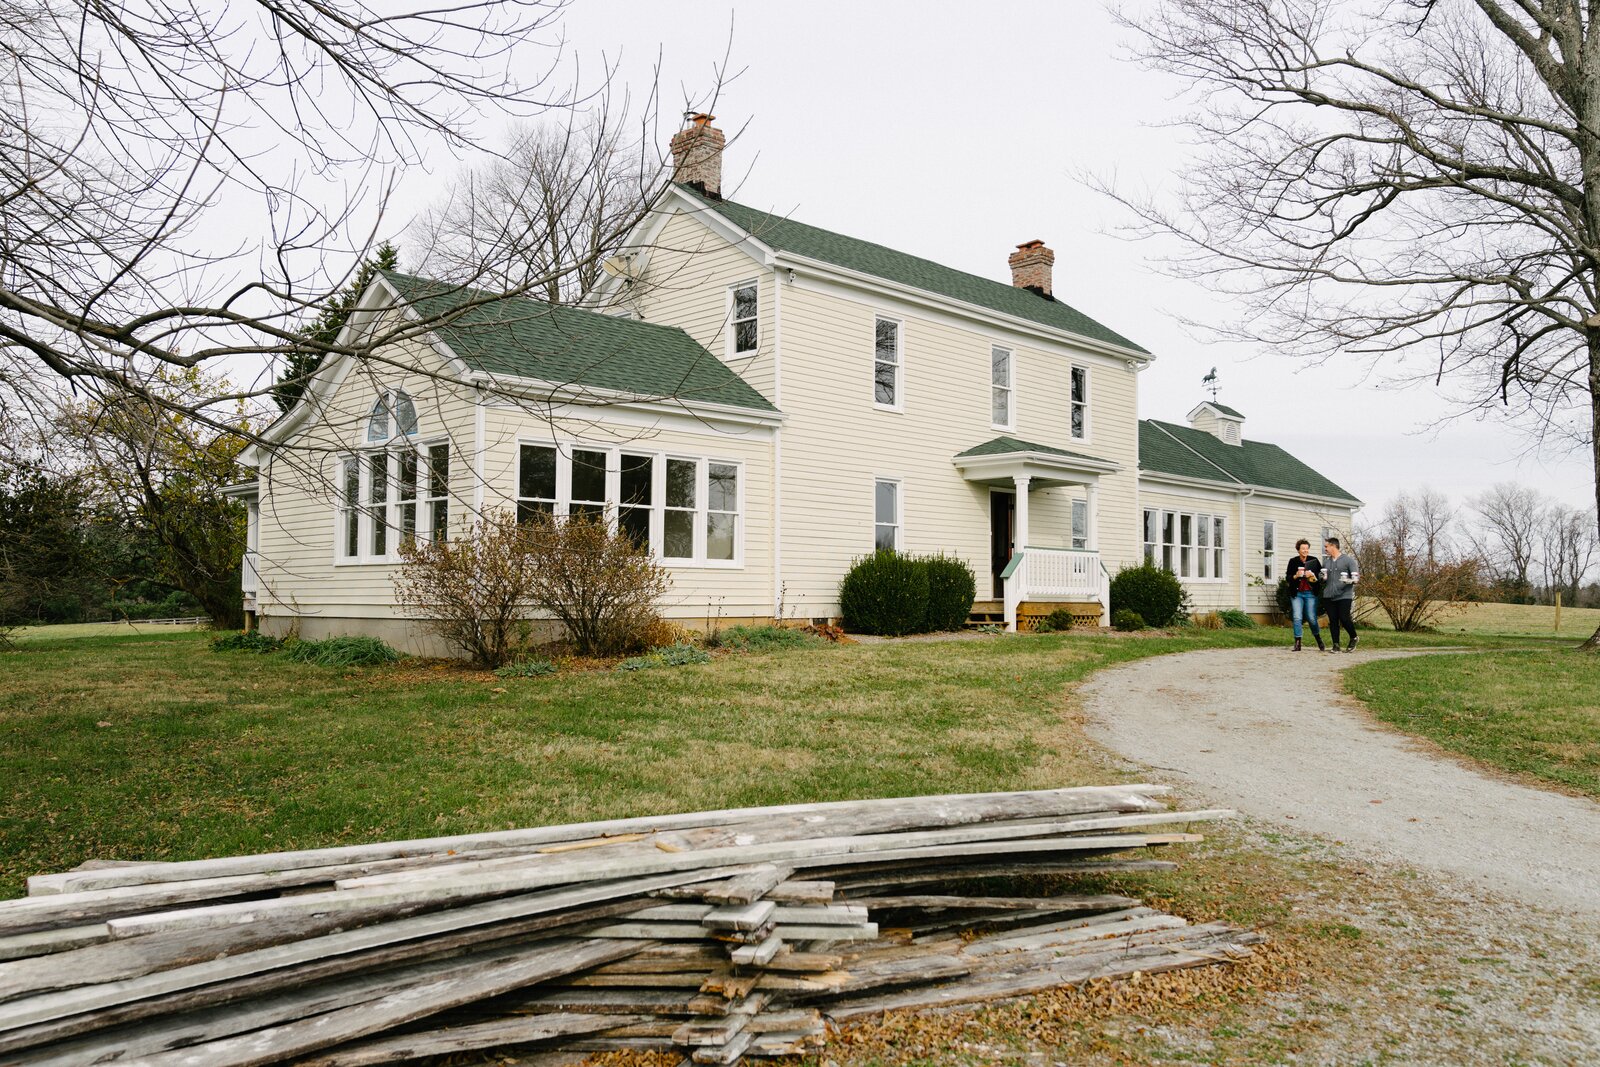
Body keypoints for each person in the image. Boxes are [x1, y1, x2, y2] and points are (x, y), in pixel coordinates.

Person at [1322, 536, 1360, 652]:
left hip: (1344, 595)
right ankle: (1336, 645)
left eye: (1326, 546)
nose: (1325, 549)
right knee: (1333, 620)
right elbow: (1322, 578)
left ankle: (1354, 637)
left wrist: (1350, 580)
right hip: (1329, 595)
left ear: (1333, 546)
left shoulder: (1348, 561)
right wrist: (1320, 577)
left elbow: (1356, 578)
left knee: (1344, 618)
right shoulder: (1326, 563)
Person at [1287, 538, 1325, 652]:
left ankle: (1318, 638)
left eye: (1307, 548)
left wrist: (1312, 576)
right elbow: (1288, 578)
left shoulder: (1314, 561)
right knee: (1297, 617)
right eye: (1303, 548)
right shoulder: (1293, 561)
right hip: (1297, 593)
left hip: (1310, 593)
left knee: (1311, 618)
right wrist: (1296, 576)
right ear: (1298, 550)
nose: (1305, 551)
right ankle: (1298, 643)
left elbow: (1321, 577)